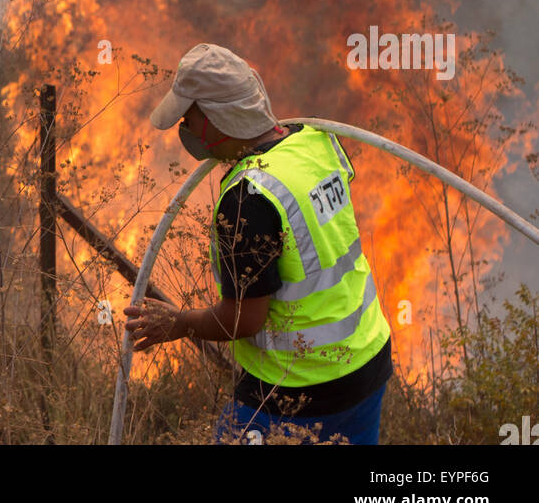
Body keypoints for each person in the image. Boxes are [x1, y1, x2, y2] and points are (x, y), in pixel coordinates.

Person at [124, 43, 392, 445]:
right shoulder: (315, 142)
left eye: (189, 117)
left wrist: (179, 323)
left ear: (216, 120)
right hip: (368, 361)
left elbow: (244, 319)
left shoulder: (248, 199)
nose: (185, 129)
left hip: (300, 387)